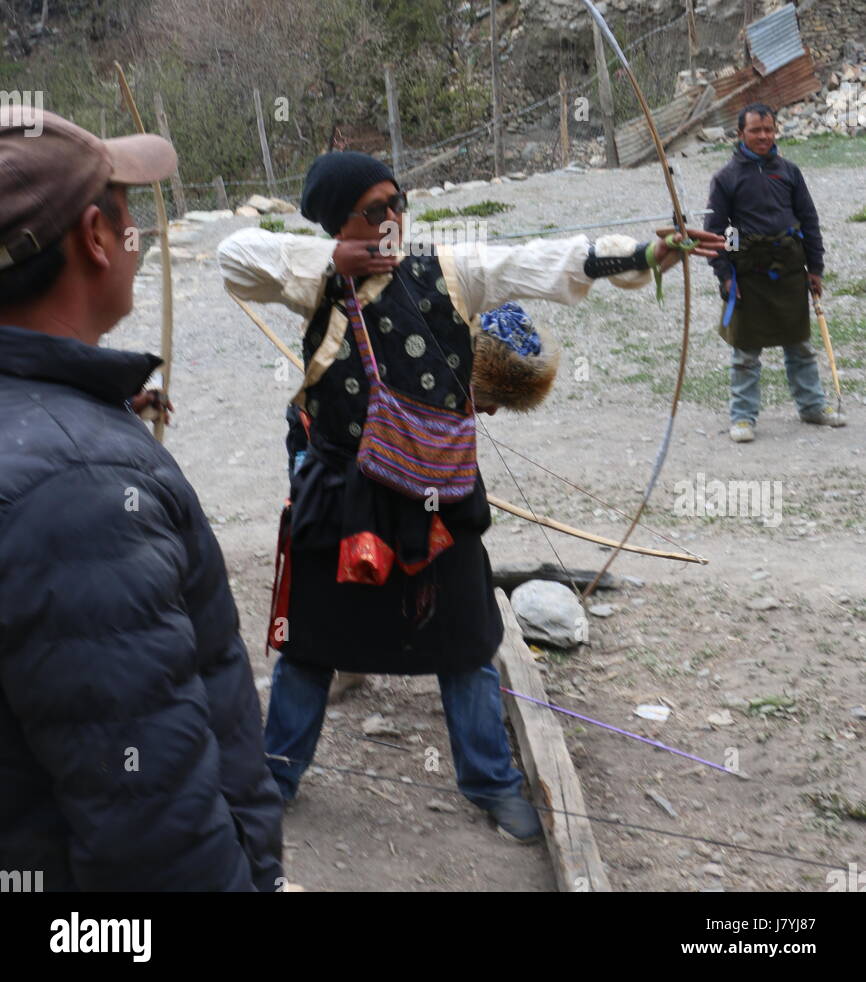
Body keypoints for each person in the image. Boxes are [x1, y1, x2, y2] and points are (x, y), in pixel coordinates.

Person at [218, 151, 723, 842]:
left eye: (399, 202)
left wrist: (641, 253)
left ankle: (490, 783)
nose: (394, 217)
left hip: (437, 496)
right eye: (375, 208)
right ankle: (274, 778)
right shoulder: (317, 275)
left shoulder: (452, 270)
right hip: (343, 498)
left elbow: (544, 262)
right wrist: (335, 261)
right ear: (342, 219)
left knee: (464, 643)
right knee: (311, 645)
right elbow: (235, 255)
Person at [0, 106, 283, 892]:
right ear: (95, 236)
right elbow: (153, 841)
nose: (141, 237)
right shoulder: (81, 496)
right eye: (129, 216)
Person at [703, 102, 844, 443]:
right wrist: (725, 275)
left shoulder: (790, 172)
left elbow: (808, 221)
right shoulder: (726, 178)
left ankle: (812, 406)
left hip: (790, 270)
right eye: (755, 130)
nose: (763, 136)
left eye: (768, 129)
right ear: (741, 134)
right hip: (748, 275)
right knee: (745, 353)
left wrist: (816, 268)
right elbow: (716, 233)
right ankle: (742, 418)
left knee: (800, 347)